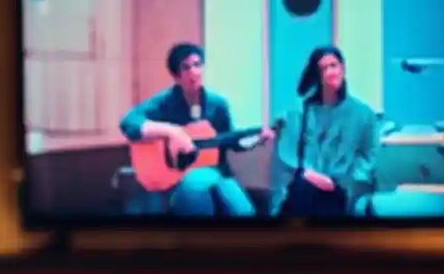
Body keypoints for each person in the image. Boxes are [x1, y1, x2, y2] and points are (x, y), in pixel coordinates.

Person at [119, 43, 274, 217]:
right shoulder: (165, 102)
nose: (194, 71)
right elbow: (128, 123)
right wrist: (173, 132)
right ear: (176, 75)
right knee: (196, 189)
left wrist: (257, 140)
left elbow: (231, 141)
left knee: (244, 212)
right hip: (179, 178)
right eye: (186, 67)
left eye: (197, 65)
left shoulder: (217, 105)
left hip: (218, 172)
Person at [272, 46, 380, 216]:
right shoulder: (302, 110)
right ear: (317, 75)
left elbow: (369, 157)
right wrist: (308, 173)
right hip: (306, 181)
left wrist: (339, 182)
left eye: (334, 65)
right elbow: (288, 151)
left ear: (343, 68)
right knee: (302, 190)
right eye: (324, 68)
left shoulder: (363, 114)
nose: (331, 72)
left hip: (342, 187)